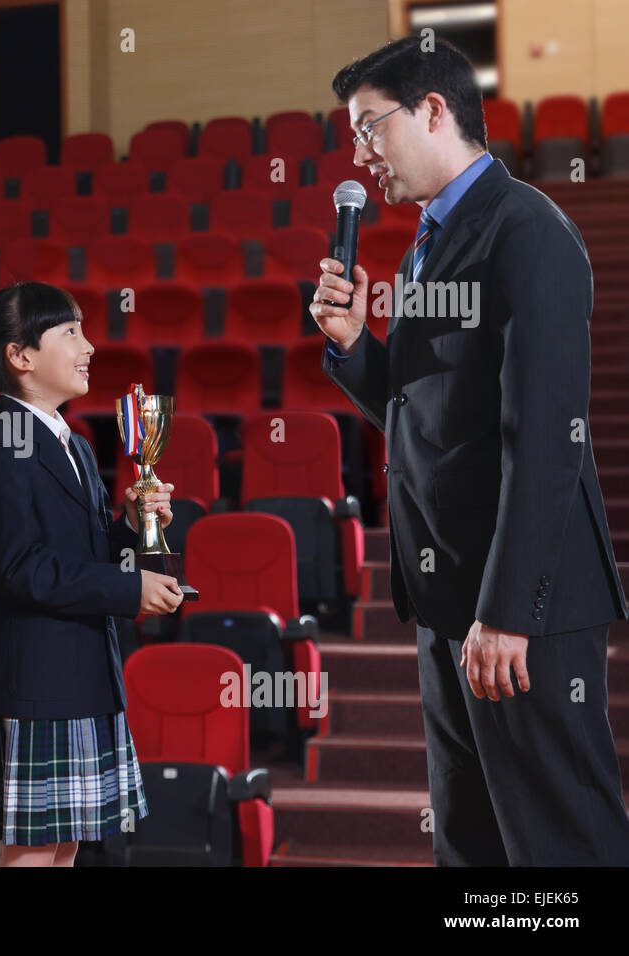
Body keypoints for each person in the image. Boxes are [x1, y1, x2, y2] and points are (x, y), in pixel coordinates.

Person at [312, 36, 629, 865]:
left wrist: (508, 610)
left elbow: (546, 438)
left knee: (559, 844)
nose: (360, 155)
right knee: (473, 844)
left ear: (433, 110)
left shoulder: (527, 229)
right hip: (453, 598)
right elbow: (432, 419)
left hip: (525, 606)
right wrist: (355, 349)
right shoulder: (426, 246)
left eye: (368, 128)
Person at [0, 282, 183, 866]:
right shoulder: (1, 444)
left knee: (61, 853)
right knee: (32, 857)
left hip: (81, 674)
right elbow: (20, 569)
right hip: (37, 682)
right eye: (70, 332)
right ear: (20, 357)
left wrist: (130, 525)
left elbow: (78, 551)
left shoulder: (75, 445)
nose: (88, 346)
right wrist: (129, 588)